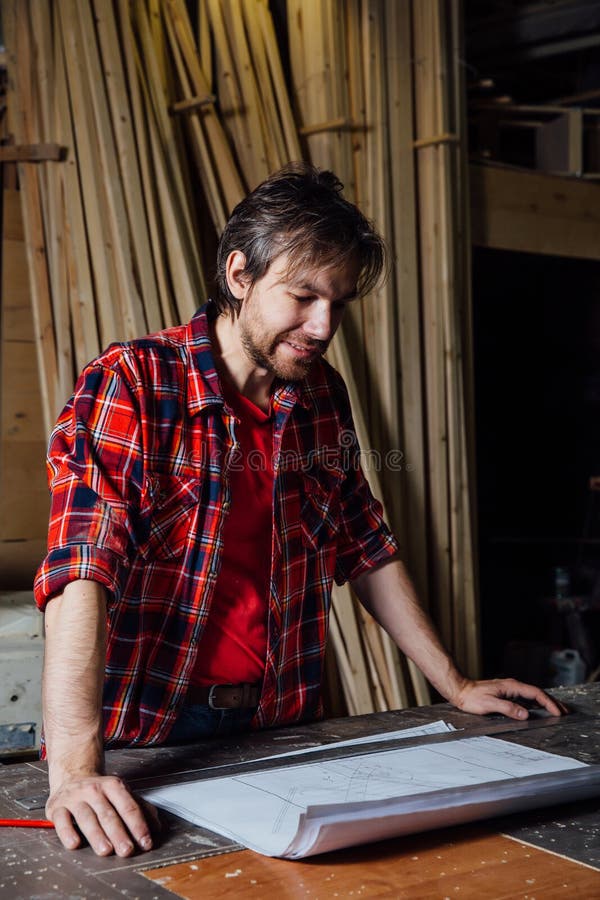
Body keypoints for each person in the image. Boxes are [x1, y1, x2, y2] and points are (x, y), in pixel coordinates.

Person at [35, 163, 564, 858]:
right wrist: (75, 770)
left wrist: (455, 683)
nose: (322, 326)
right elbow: (82, 568)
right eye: (304, 295)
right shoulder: (132, 382)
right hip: (143, 735)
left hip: (279, 723)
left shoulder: (320, 395)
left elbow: (365, 544)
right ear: (238, 274)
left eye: (339, 303)